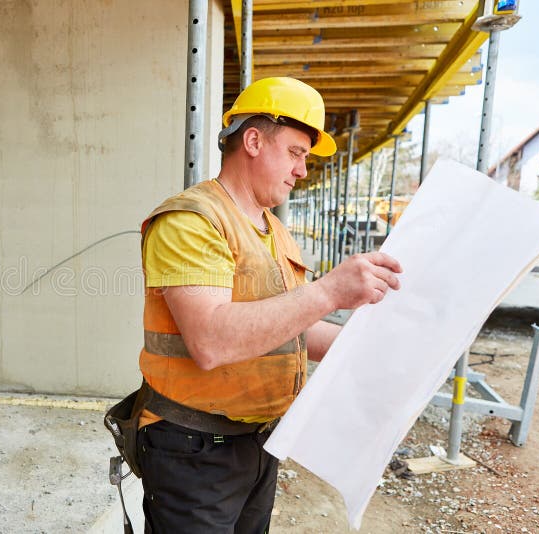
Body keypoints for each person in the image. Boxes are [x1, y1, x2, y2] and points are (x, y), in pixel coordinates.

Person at [134, 77, 403, 533]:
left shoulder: (273, 231)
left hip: (259, 442)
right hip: (193, 448)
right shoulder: (191, 221)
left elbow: (286, 329)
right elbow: (211, 342)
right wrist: (328, 292)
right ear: (254, 141)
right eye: (296, 152)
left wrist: (370, 349)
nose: (302, 170)